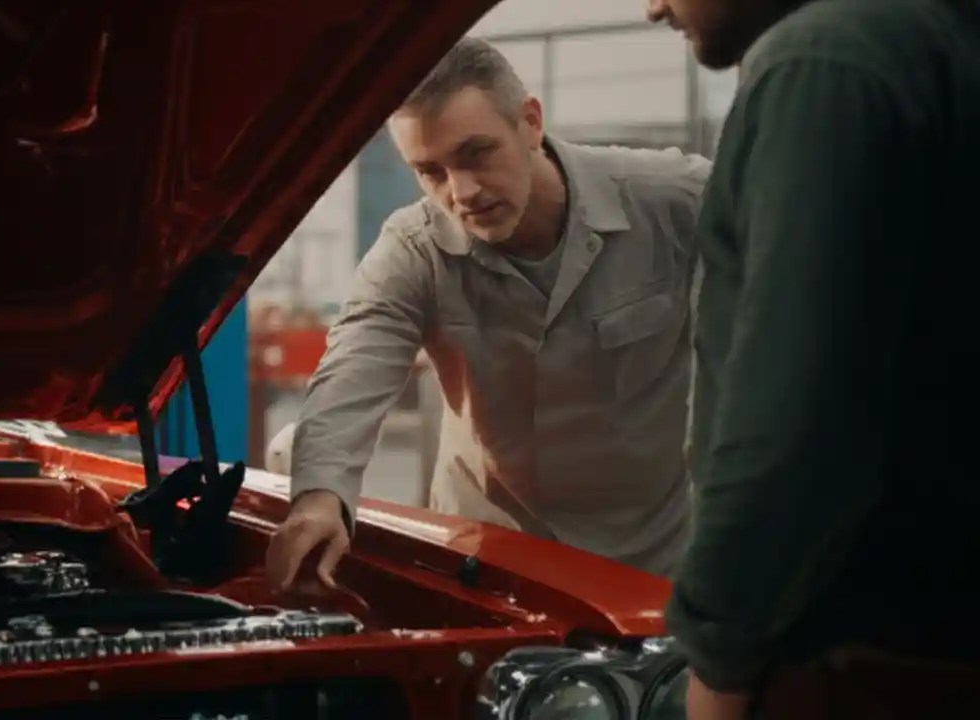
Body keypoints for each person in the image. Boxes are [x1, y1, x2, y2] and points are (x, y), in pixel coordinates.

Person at [265, 37, 711, 589]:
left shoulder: (676, 201)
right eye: (430, 172)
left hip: (650, 565)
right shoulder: (414, 250)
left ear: (529, 122)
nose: (463, 191)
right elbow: (351, 372)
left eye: (477, 153)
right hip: (488, 562)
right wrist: (318, 499)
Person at [645, 0, 980, 717]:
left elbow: (795, 425)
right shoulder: (938, 42)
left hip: (858, 667)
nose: (652, 7)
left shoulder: (825, 62)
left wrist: (719, 655)